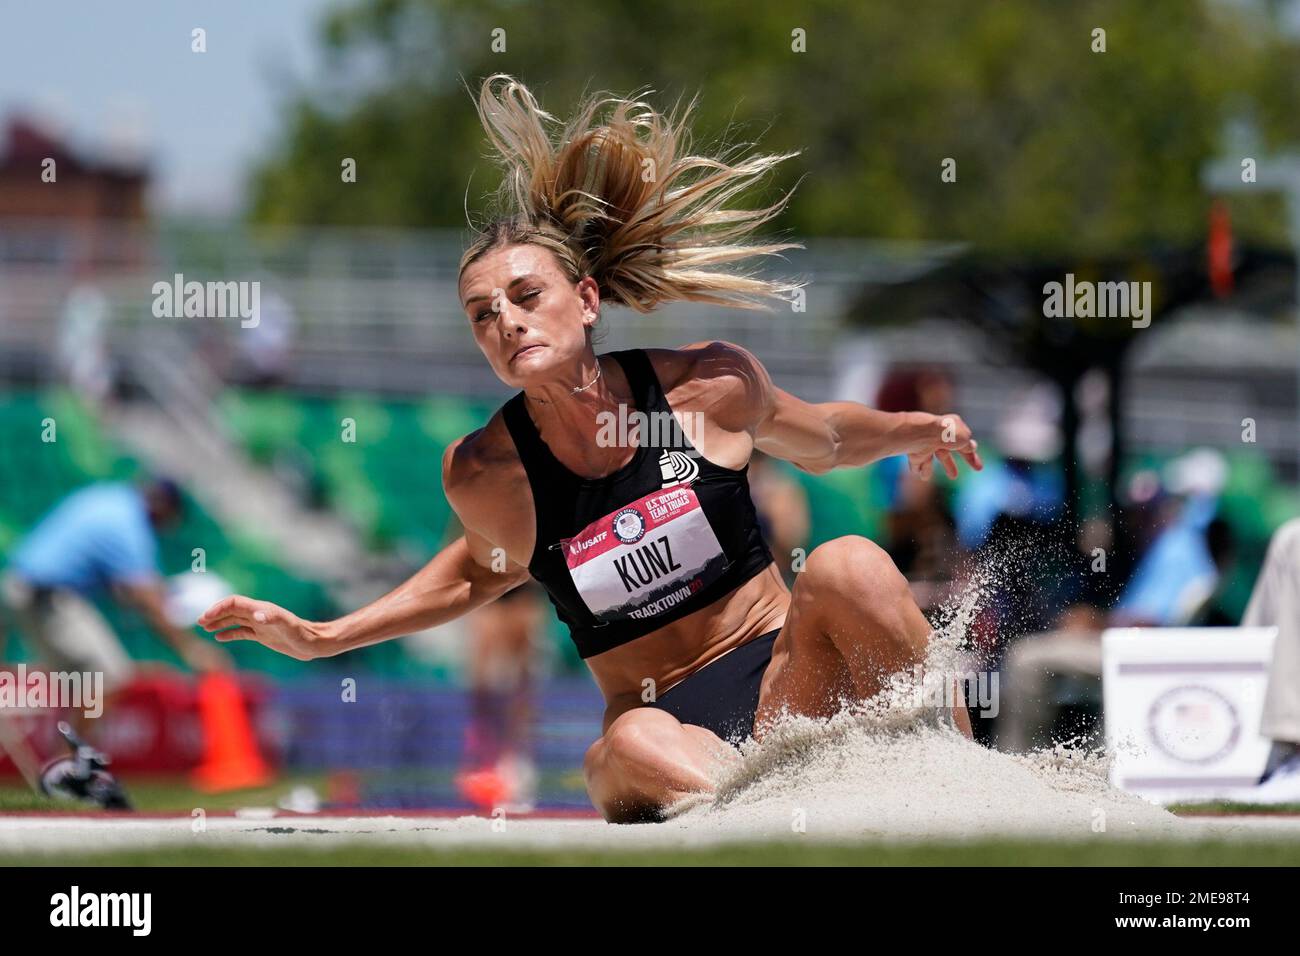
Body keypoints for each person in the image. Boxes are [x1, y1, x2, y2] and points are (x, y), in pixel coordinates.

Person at [197, 75, 982, 823]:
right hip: (673, 731)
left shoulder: (705, 387)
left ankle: (969, 779)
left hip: (786, 678)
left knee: (847, 562)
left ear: (587, 298)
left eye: (525, 296)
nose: (505, 321)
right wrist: (326, 636)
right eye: (481, 314)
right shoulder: (487, 471)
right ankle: (766, 814)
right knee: (620, 748)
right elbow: (471, 576)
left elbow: (830, 436)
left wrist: (921, 428)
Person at [1, 479, 230, 748]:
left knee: (81, 681)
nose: (162, 529)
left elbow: (120, 584)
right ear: (162, 505)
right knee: (107, 678)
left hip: (16, 586)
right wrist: (192, 649)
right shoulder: (129, 521)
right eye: (166, 520)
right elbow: (147, 597)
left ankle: (68, 763)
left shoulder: (107, 498)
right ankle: (66, 767)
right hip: (44, 596)